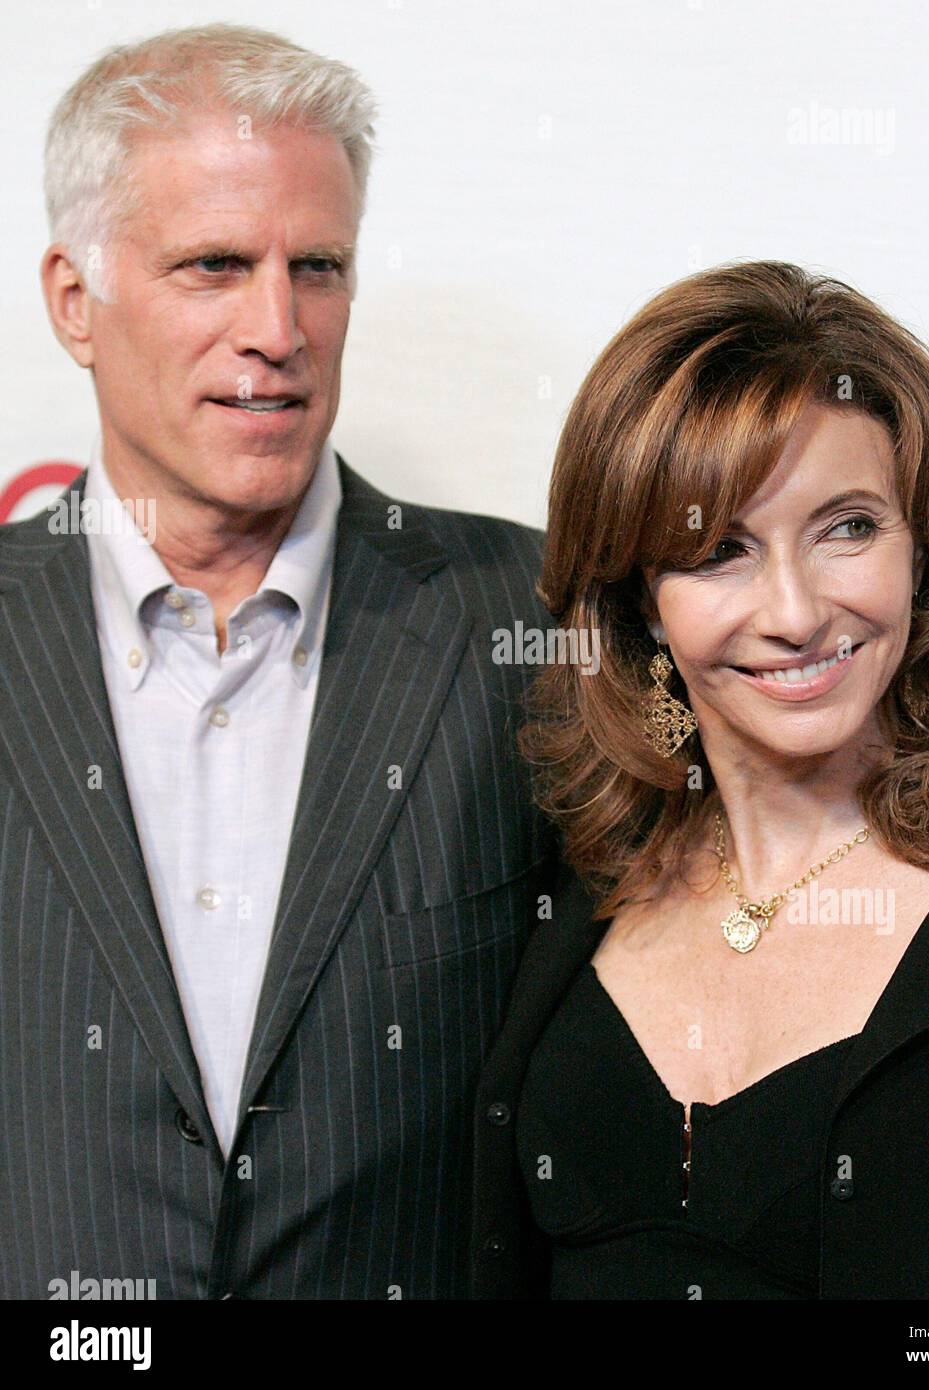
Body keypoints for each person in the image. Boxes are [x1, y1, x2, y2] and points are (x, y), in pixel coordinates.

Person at [0, 23, 558, 1299]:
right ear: (75, 301)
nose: (278, 327)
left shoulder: (529, 628)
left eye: (318, 266)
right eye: (214, 265)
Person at [468, 260, 929, 1299]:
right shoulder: (586, 877)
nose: (794, 611)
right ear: (635, 599)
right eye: (718, 550)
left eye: (846, 526)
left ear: (926, 550)